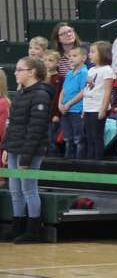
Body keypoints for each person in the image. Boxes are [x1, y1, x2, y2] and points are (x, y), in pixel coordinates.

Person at [4, 57, 52, 243]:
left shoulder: (40, 95)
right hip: (15, 147)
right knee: (15, 189)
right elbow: (12, 124)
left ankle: (33, 229)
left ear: (32, 72)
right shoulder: (21, 93)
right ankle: (17, 227)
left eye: (19, 69)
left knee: (28, 189)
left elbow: (36, 129)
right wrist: (6, 146)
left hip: (30, 150)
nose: (15, 72)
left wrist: (26, 158)